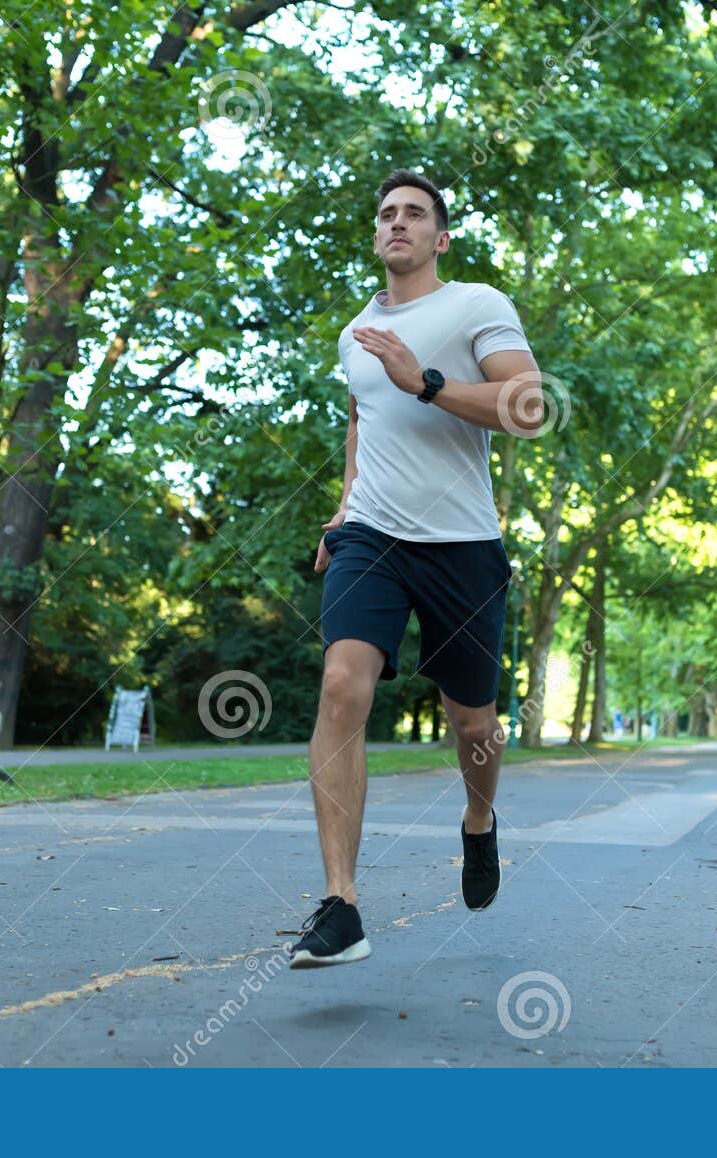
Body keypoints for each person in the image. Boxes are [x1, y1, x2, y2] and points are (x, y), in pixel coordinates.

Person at [288, 170, 545, 968]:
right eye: (387, 214)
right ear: (376, 236)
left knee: (472, 725)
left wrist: (426, 381)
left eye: (415, 215)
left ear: (440, 238)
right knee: (340, 685)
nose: (397, 223)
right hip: (372, 537)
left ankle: (478, 820)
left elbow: (527, 409)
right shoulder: (356, 331)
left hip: (462, 544)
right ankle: (342, 906)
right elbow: (364, 423)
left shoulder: (476, 305)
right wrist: (343, 508)